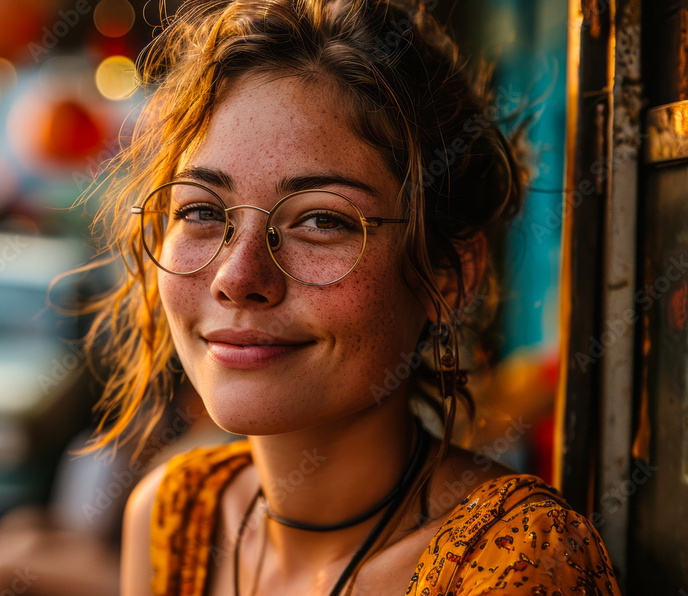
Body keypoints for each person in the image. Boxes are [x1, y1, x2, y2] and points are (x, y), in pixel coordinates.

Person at [74, 0, 621, 594]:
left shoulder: (513, 564)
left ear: (447, 277)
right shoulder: (173, 515)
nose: (237, 275)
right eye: (202, 211)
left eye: (322, 221)